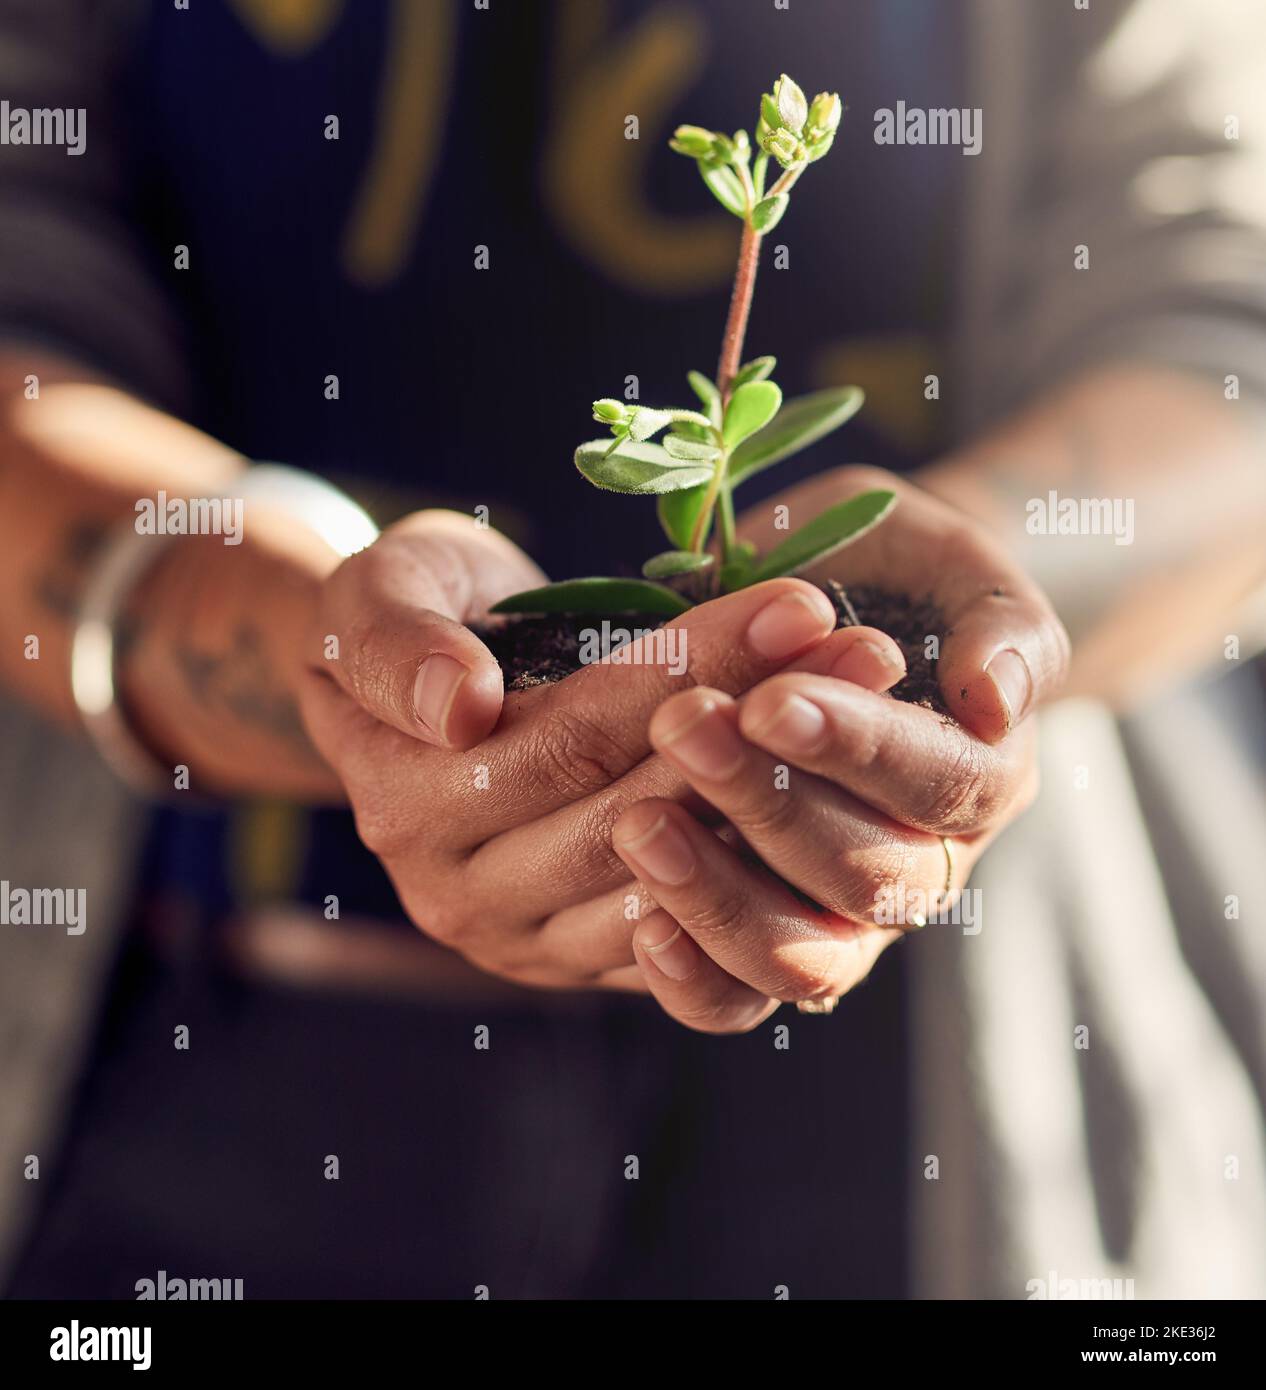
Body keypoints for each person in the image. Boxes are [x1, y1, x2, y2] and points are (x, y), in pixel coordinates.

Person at [1, 0, 1264, 1298]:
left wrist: (946, 624)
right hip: (194, 1074)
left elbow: (1227, 334)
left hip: (907, 1115)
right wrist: (333, 653)